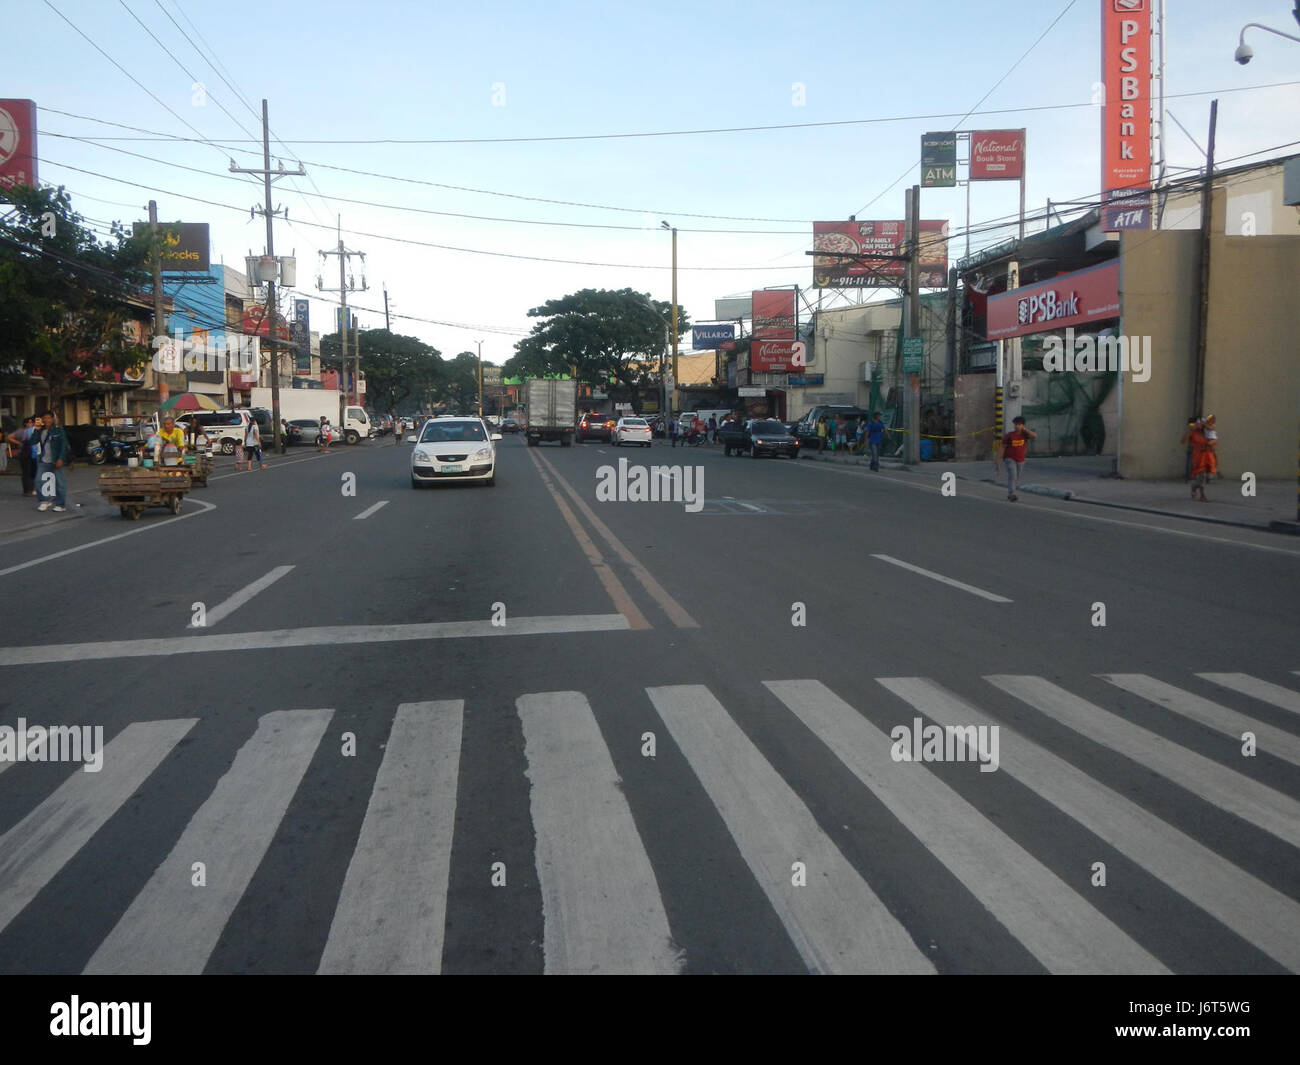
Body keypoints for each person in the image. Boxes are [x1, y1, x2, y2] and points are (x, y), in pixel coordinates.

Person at [33, 410, 70, 512]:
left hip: (55, 460)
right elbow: (32, 441)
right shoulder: (40, 431)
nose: (46, 420)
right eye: (44, 418)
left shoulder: (59, 431)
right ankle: (44, 501)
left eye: (49, 418)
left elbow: (63, 446)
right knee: (38, 481)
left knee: (59, 483)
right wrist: (36, 429)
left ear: (53, 419)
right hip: (43, 460)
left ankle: (60, 504)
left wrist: (60, 458)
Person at [994, 415, 1036, 501]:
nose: (1016, 426)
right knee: (1012, 475)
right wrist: (997, 460)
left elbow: (1034, 436)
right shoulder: (1009, 436)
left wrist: (1025, 430)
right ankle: (1011, 493)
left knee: (1017, 476)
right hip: (1009, 458)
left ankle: (1012, 491)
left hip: (1021, 459)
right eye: (1015, 424)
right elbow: (1002, 448)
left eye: (1019, 424)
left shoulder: (1025, 434)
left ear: (1022, 425)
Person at [6, 416, 38, 497]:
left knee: (32, 472)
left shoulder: (35, 431)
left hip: (33, 454)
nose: (31, 424)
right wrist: (19, 443)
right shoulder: (22, 431)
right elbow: (9, 437)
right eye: (29, 422)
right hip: (24, 454)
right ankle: (27, 490)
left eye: (32, 422)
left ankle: (31, 488)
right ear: (25, 423)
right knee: (26, 472)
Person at [1182, 417, 1212, 502]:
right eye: (1197, 423)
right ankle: (1202, 495)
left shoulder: (1205, 432)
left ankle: (1194, 487)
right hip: (1197, 457)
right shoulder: (1192, 433)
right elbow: (1184, 441)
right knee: (1201, 476)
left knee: (1203, 477)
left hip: (1206, 456)